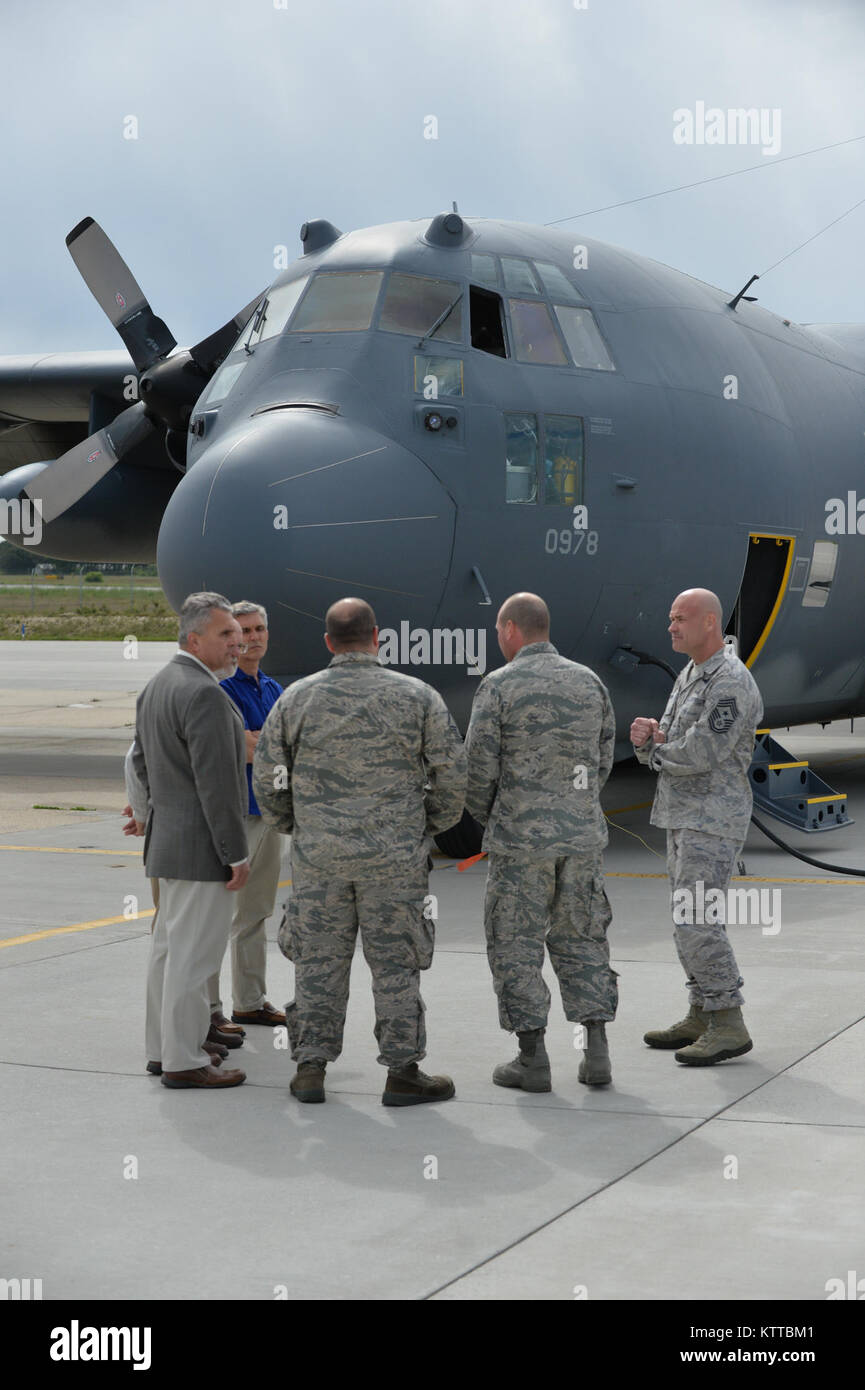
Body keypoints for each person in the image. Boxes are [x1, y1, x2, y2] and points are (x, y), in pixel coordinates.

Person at [252, 597, 466, 1106]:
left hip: (319, 859)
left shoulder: (296, 699)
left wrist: (298, 826)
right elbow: (453, 775)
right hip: (393, 861)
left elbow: (268, 778)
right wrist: (424, 826)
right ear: (378, 638)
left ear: (328, 642)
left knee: (317, 963)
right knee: (396, 964)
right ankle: (402, 1072)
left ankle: (310, 1067)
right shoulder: (417, 696)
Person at [465, 592, 618, 1092]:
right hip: (581, 840)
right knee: (583, 939)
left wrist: (499, 818)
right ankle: (596, 1053)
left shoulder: (499, 686)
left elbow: (479, 772)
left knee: (515, 945)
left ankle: (532, 1059)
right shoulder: (589, 682)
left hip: (520, 844)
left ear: (510, 629)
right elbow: (601, 762)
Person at [630, 588, 763, 1065]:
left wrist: (652, 751)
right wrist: (652, 736)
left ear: (710, 622)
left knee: (697, 920)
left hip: (712, 819)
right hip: (684, 816)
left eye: (680, 618)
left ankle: (727, 1019)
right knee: (687, 920)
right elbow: (677, 738)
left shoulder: (729, 681)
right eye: (670, 617)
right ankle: (701, 1011)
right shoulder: (692, 673)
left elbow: (703, 751)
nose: (671, 626)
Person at [134, 592, 250, 1090]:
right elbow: (217, 784)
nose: (237, 645)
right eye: (226, 635)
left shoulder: (158, 684)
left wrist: (150, 818)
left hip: (168, 843)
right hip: (202, 848)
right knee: (193, 957)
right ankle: (183, 1061)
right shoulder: (202, 692)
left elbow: (140, 763)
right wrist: (236, 853)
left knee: (167, 952)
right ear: (194, 638)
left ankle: (163, 1050)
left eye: (239, 636)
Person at [207, 601, 287, 1033]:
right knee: (218, 917)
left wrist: (261, 744)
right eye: (245, 632)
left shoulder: (273, 688)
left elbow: (280, 749)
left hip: (271, 814)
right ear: (232, 639)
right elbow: (242, 748)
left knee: (256, 912)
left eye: (260, 629)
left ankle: (249, 1002)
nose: (253, 638)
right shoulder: (221, 689)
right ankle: (210, 1010)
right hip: (238, 814)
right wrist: (257, 745)